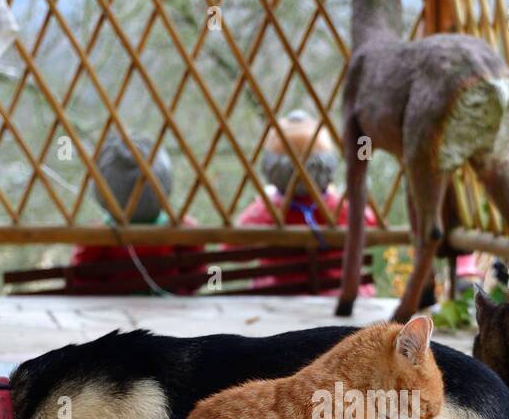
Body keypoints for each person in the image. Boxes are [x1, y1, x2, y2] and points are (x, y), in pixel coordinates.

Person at [234, 111, 379, 295]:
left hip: (278, 296)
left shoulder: (267, 211)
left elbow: (232, 248)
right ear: (327, 165)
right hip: (336, 296)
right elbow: (371, 225)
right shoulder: (340, 208)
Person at [70, 135, 204, 294]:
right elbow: (196, 277)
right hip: (172, 312)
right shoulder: (182, 230)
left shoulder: (96, 239)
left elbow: (79, 281)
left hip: (111, 314)